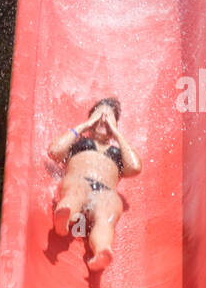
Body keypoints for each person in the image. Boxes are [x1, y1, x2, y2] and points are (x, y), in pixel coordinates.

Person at [47, 97, 142, 272]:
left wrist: (117, 134)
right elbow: (54, 151)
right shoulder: (77, 142)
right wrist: (84, 126)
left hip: (104, 193)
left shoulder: (119, 154)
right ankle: (65, 218)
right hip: (79, 181)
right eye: (99, 114)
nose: (103, 119)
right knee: (76, 190)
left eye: (109, 117)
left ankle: (102, 250)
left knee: (107, 212)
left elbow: (135, 167)